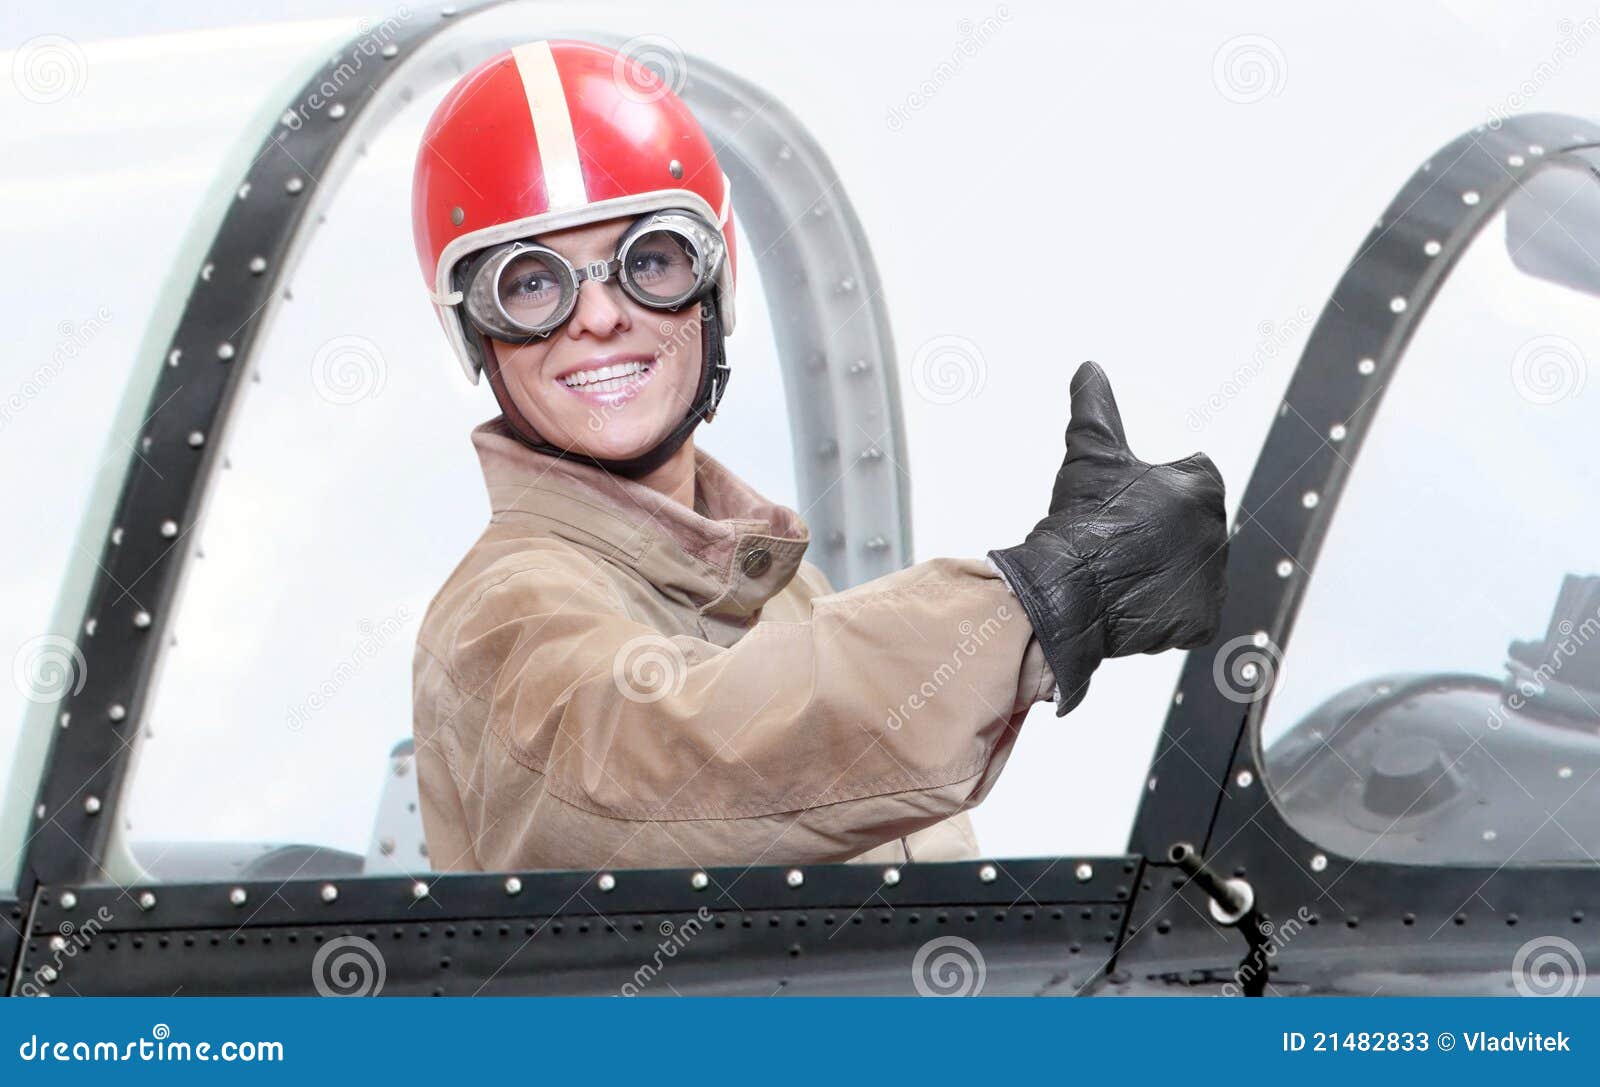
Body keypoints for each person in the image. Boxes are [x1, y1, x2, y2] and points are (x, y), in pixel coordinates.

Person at [408, 39, 1229, 874]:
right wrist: (1045, 597)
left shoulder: (785, 592)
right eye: (533, 284)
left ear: (713, 286)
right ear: (476, 332)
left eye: (648, 261)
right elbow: (674, 762)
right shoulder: (501, 615)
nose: (600, 318)